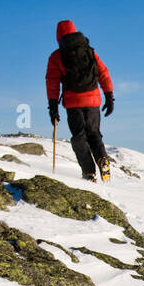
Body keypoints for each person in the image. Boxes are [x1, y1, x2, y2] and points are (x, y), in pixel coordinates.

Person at [46, 19, 115, 181]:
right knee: (94, 134)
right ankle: (102, 159)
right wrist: (109, 96)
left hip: (73, 102)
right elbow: (103, 72)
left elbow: (52, 82)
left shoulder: (56, 56)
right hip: (93, 100)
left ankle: (89, 172)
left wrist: (53, 106)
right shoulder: (89, 51)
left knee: (79, 137)